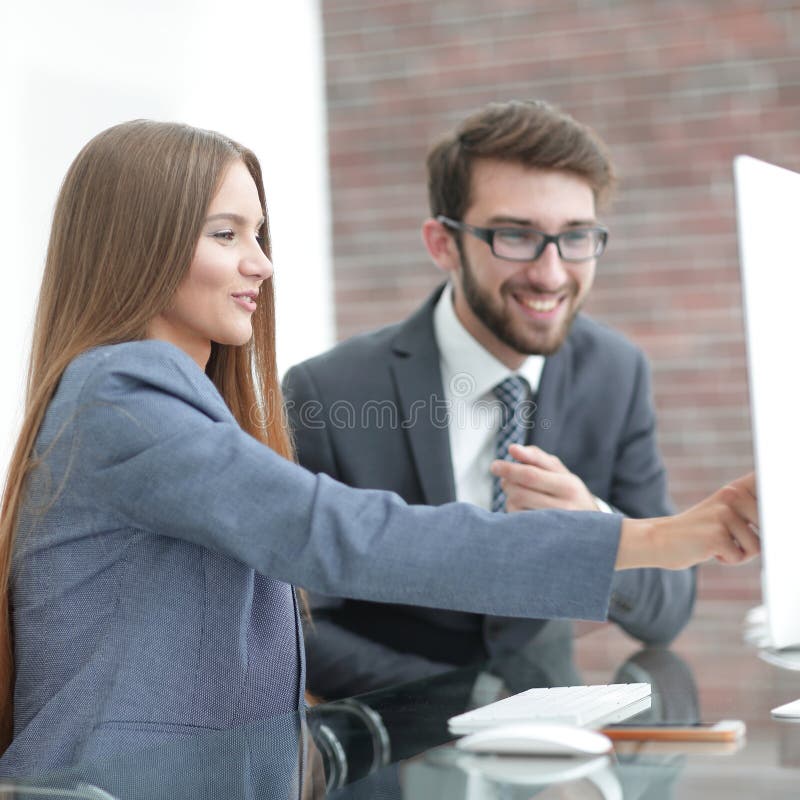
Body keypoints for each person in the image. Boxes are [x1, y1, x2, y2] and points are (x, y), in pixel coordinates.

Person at [0, 119, 759, 775]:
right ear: (138, 246)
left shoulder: (163, 398)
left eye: (258, 235)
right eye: (226, 234)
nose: (261, 262)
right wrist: (657, 536)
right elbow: (339, 535)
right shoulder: (124, 395)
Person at [283, 100, 701, 699]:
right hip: (398, 749)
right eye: (517, 236)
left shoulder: (617, 372)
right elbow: (298, 626)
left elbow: (668, 610)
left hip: (555, 755)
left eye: (575, 237)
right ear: (443, 244)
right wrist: (469, 703)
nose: (552, 274)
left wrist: (596, 529)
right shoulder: (327, 391)